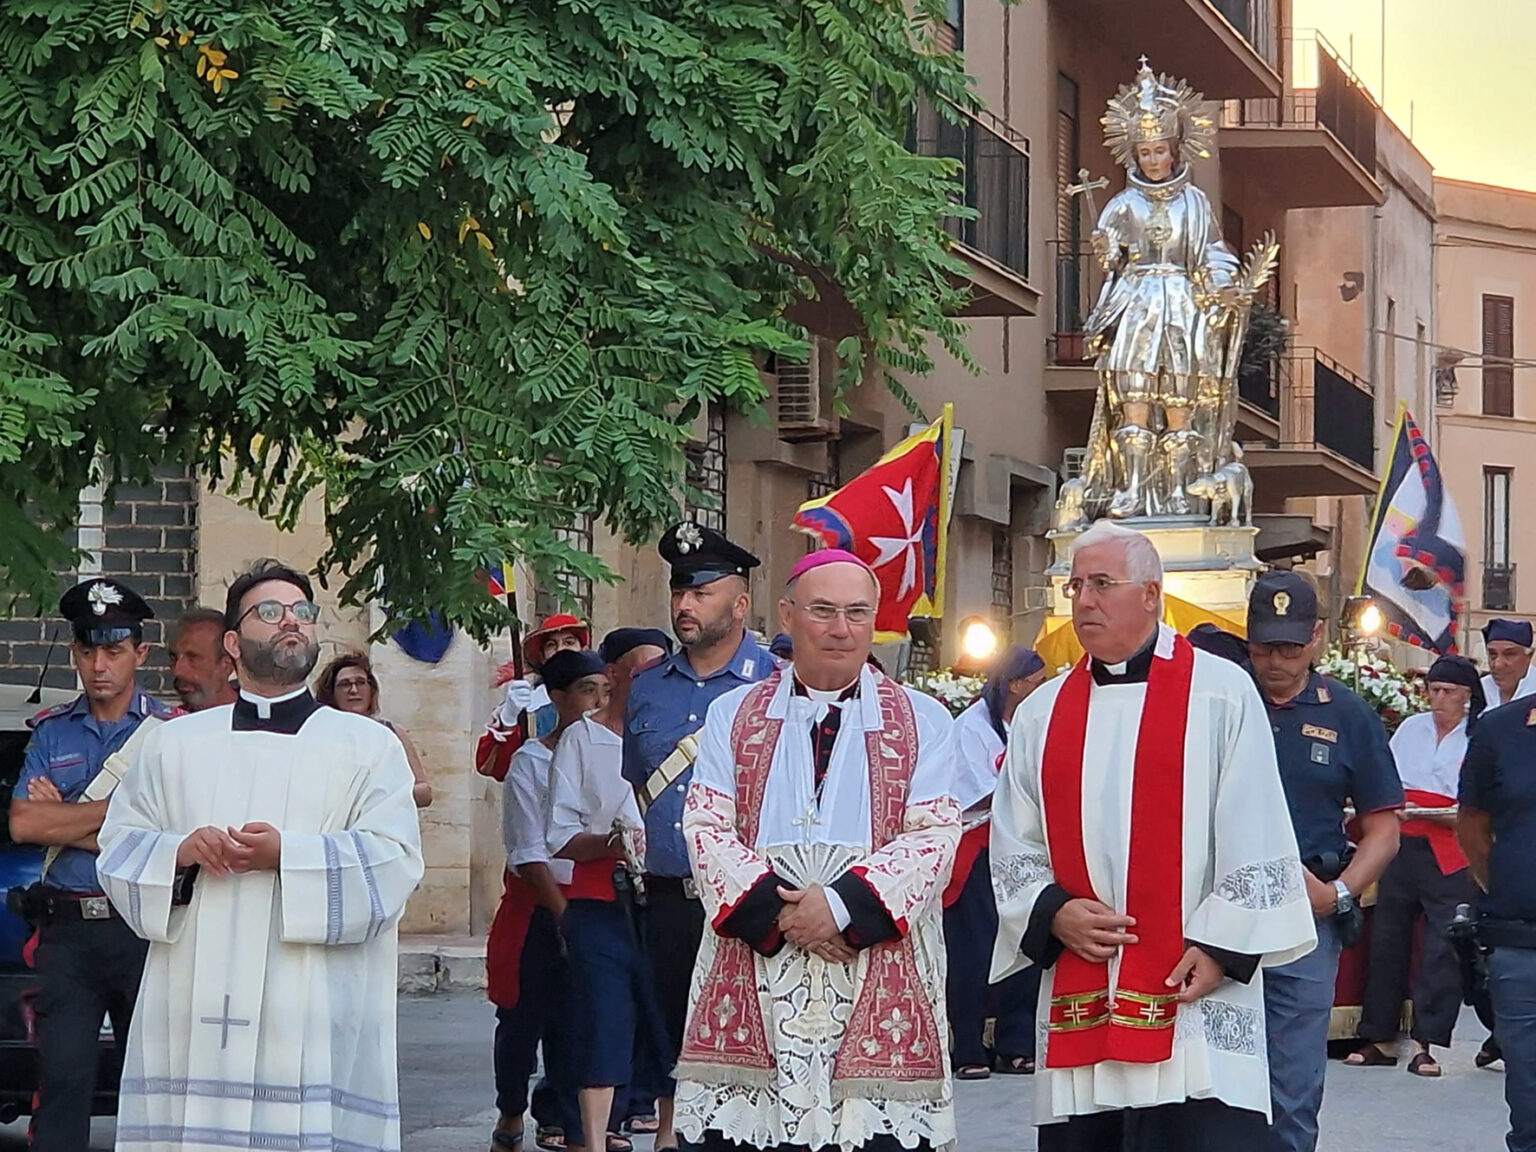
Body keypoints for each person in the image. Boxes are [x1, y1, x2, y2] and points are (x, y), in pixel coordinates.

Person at [991, 522, 1316, 1149]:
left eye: (1102, 584)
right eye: (1076, 585)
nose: (1083, 599)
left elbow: (1257, 827)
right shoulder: (1042, 711)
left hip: (1192, 982)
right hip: (1083, 984)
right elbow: (1015, 842)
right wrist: (1054, 913)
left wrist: (1224, 948)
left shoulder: (1220, 694)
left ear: (1150, 594)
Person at [96, 559, 425, 1152]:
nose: (289, 623)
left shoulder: (368, 746)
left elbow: (394, 862)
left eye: (302, 612)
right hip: (195, 1003)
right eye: (269, 613)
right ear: (232, 642)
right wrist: (179, 852)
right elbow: (120, 846)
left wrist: (288, 856)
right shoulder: (175, 744)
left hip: (312, 1001)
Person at [673, 549, 960, 1152]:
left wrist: (842, 907)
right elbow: (705, 825)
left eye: (857, 613)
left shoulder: (925, 720)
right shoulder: (732, 714)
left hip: (874, 964)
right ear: (787, 614)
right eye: (823, 611)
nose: (841, 629)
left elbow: (934, 834)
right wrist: (784, 915)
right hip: (758, 961)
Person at [8, 578, 176, 1152]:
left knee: (149, 1087)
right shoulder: (52, 730)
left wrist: (72, 817)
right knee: (62, 1083)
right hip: (67, 932)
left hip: (143, 929)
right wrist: (123, 822)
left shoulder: (169, 736)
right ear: (77, 652)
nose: (99, 665)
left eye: (114, 651)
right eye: (89, 652)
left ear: (140, 654)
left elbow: (168, 835)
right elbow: (24, 825)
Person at [621, 521, 770, 1152]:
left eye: (703, 592)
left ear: (739, 604)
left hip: (745, 901)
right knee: (663, 1033)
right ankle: (667, 1133)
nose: (685, 604)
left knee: (744, 1043)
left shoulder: (773, 683)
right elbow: (631, 786)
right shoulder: (647, 687)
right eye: (680, 591)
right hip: (662, 896)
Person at [1240, 572, 1400, 1152]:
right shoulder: (1222, 703)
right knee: (1214, 1080)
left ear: (1316, 638)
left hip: (1305, 915)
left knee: (1293, 1083)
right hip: (1218, 909)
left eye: (1290, 646)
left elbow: (1384, 831)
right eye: (1263, 646)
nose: (1275, 660)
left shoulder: (1348, 715)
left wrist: (1339, 895)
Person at [488, 650, 610, 1152]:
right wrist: (564, 918)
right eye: (587, 691)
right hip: (542, 905)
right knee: (522, 1019)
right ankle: (511, 1109)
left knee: (579, 1020)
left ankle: (570, 1121)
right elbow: (529, 851)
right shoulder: (532, 762)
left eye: (606, 690)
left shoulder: (614, 755)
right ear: (558, 698)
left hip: (596, 902)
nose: (599, 703)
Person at [547, 652, 666, 1152]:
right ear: (614, 675)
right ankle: (593, 1140)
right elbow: (559, 834)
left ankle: (668, 1133)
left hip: (666, 895)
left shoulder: (676, 732)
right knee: (602, 1017)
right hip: (600, 896)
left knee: (666, 1015)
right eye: (640, 671)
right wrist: (610, 844)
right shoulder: (582, 738)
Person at [1350, 655, 1481, 1081]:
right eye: (1434, 690)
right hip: (1405, 842)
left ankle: (1427, 1042)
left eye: (1448, 692)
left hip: (1451, 848)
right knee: (1388, 938)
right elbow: (1387, 778)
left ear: (1467, 697)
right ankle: (1379, 1035)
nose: (1438, 699)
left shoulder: (1478, 735)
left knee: (1442, 948)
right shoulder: (1411, 729)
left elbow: (1475, 802)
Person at [946, 645, 1049, 1079]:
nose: (1042, 690)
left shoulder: (1035, 722)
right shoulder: (970, 727)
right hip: (980, 849)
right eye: (1036, 683)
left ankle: (1016, 1040)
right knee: (976, 948)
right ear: (1013, 685)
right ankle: (968, 1043)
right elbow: (975, 790)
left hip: (1026, 848)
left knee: (1027, 943)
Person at [1458, 684, 1536, 1152]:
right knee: (1529, 1106)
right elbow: (1472, 825)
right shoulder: (1501, 729)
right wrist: (1510, 887)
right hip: (1521, 947)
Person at [477, 614, 592, 782]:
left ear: (582, 649)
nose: (561, 650)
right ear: (542, 656)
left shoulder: (603, 699)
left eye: (569, 642)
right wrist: (509, 718)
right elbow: (493, 768)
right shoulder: (528, 705)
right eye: (552, 645)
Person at [316, 650, 433, 808]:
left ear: (371, 688)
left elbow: (424, 792)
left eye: (360, 682)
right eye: (345, 684)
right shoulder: (320, 734)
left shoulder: (391, 732)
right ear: (332, 693)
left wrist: (386, 796)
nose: (354, 690)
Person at [168, 607, 239, 711]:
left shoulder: (258, 723)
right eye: (174, 658)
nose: (177, 671)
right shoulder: (168, 724)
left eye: (193, 658)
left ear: (227, 665)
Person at [1481, 618, 1536, 709]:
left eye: (1509, 654)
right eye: (1493, 654)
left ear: (1529, 656)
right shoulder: (1480, 690)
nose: (1498, 664)